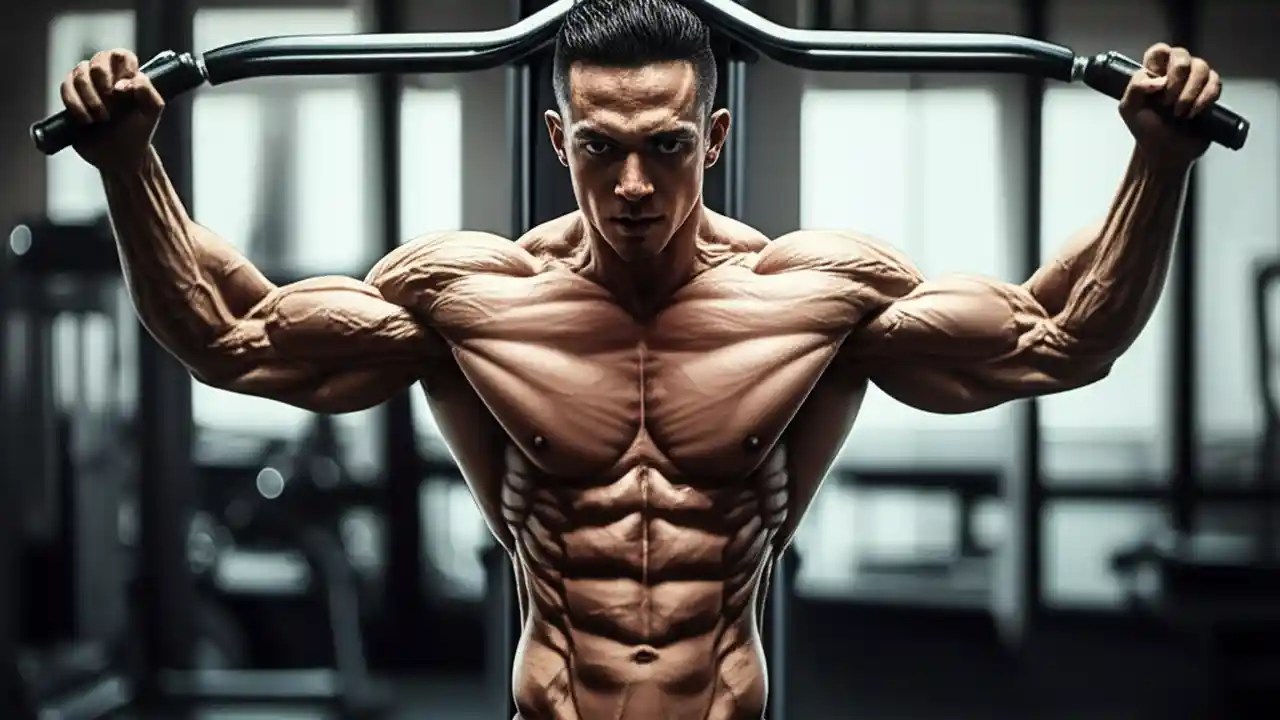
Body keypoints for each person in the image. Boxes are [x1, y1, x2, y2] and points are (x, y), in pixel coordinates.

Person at [59, 0, 1221, 717]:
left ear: (710, 137)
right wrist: (126, 166)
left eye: (665, 148)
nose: (630, 185)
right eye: (601, 150)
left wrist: (1156, 164)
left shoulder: (807, 295)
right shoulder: (474, 297)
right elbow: (234, 337)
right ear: (557, 137)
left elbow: (1059, 339)